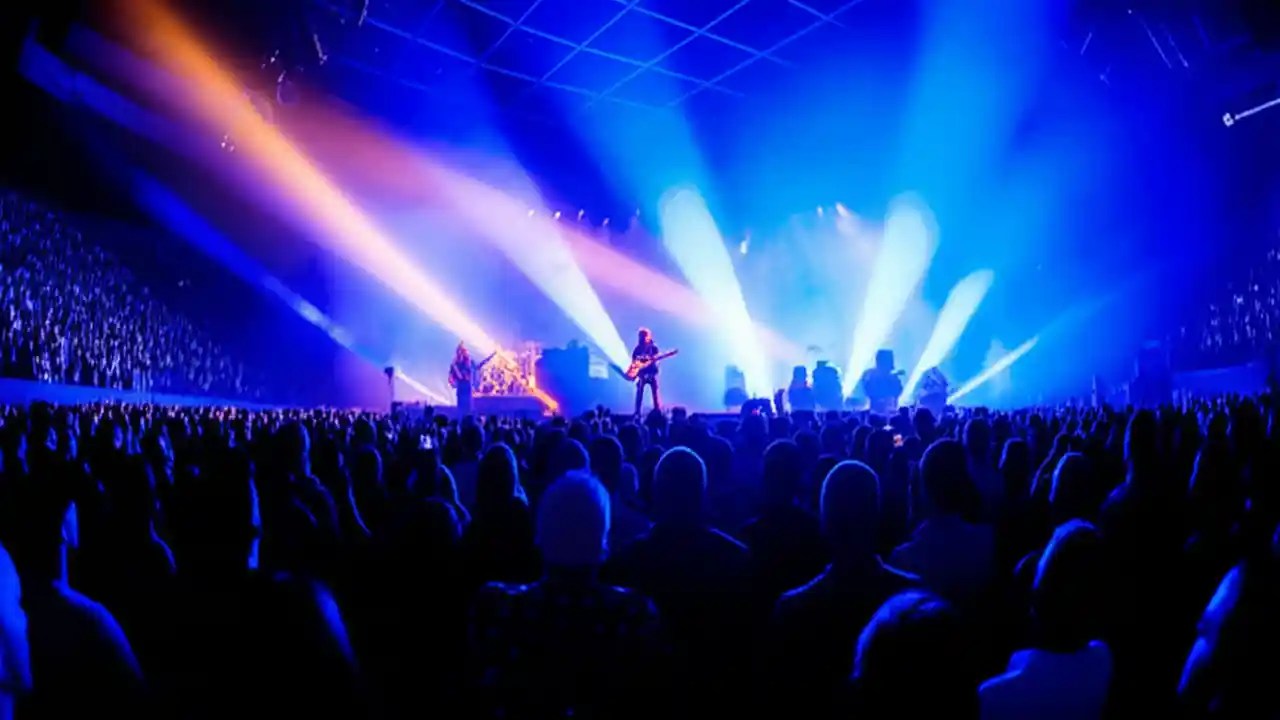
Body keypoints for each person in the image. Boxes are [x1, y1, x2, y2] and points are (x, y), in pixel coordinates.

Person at [631, 328, 662, 417]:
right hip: (642, 374)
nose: (642, 338)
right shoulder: (637, 349)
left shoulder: (654, 348)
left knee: (655, 392)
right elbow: (634, 362)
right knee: (639, 392)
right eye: (640, 336)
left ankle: (657, 411)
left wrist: (653, 368)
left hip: (652, 373)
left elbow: (657, 361)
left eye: (644, 336)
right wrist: (636, 373)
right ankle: (637, 411)